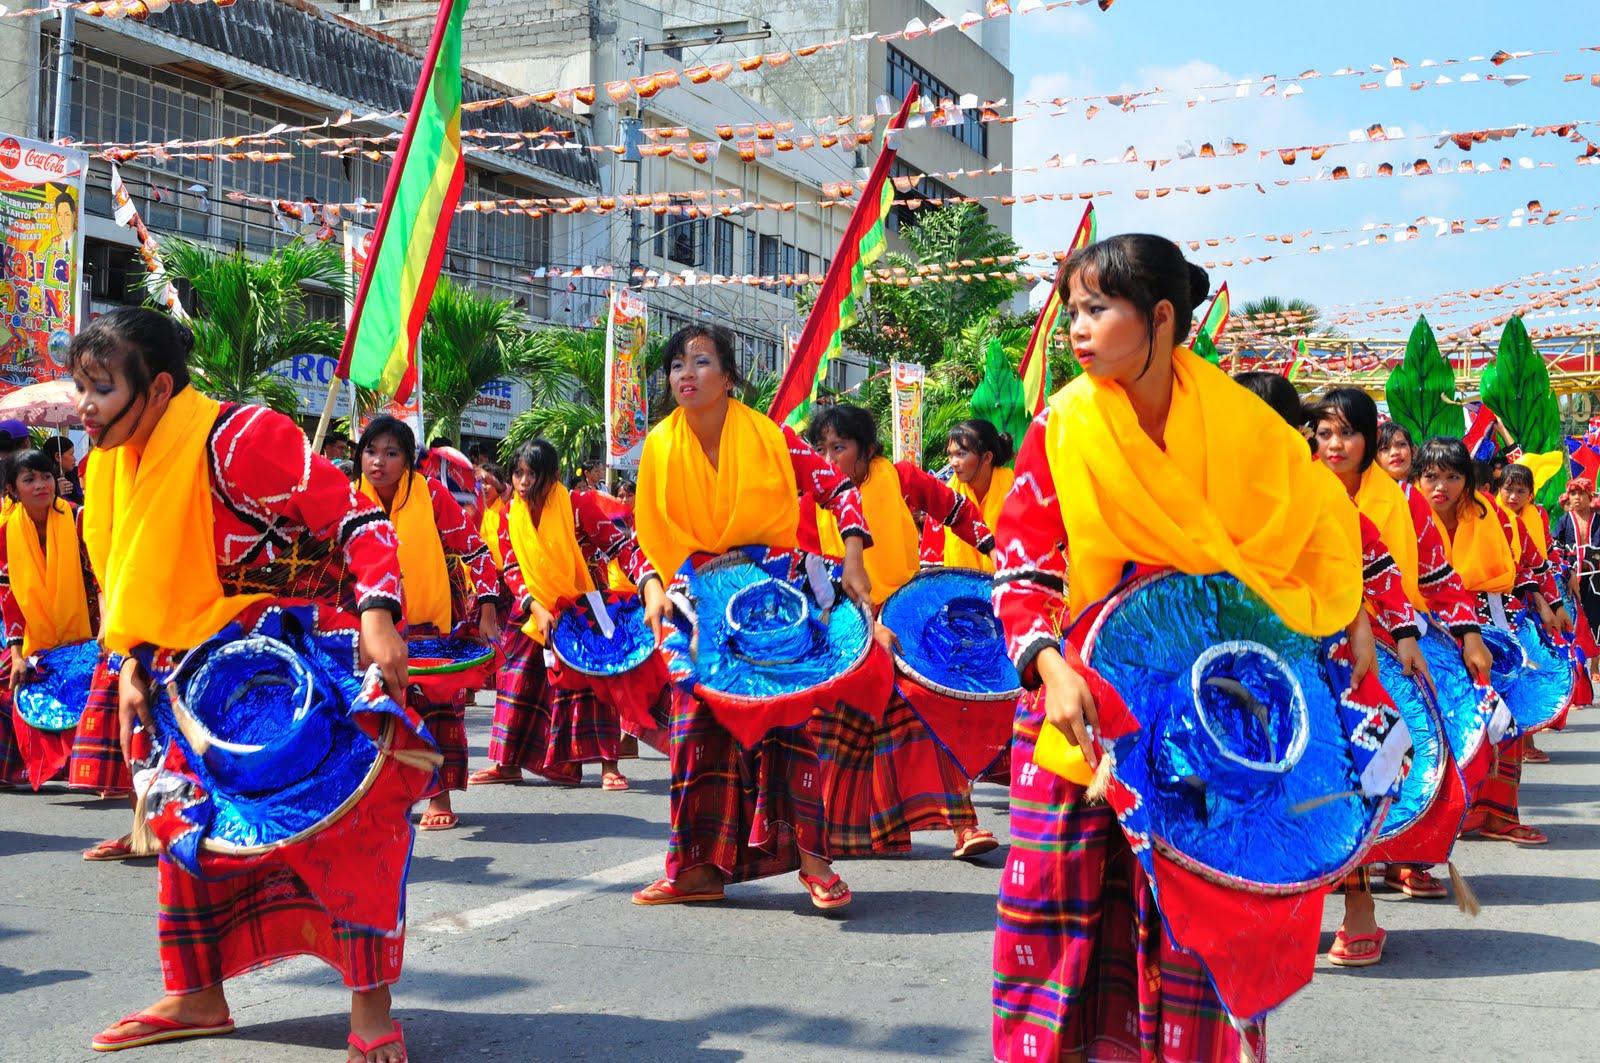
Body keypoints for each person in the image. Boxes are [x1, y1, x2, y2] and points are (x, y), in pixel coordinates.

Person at [988, 234, 1372, 1061]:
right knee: (1061, 922)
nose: (1076, 330)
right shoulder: (1063, 425)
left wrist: (1361, 617)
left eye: (1098, 309)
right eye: (1073, 311)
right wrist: (1049, 663)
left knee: (1205, 925)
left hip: (1218, 715)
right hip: (1082, 704)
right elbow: (1022, 562)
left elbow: (1319, 530)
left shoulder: (1244, 426)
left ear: (1161, 317)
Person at [69, 307, 422, 1061]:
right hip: (190, 675)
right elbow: (130, 579)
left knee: (347, 831)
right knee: (187, 831)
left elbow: (359, 518)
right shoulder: (108, 464)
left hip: (297, 662)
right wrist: (131, 659)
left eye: (101, 387)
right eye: (81, 386)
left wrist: (380, 616)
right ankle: (197, 992)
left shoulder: (241, 440)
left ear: (158, 388)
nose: (84, 406)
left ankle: (370, 1004)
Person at [632, 322, 872, 909]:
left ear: (730, 377)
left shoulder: (773, 439)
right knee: (694, 730)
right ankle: (696, 870)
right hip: (694, 597)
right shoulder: (659, 447)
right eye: (677, 365)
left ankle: (814, 860)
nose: (686, 374)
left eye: (701, 361)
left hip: (770, 596)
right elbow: (644, 536)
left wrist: (854, 557)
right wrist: (652, 589)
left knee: (786, 723)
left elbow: (839, 491)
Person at [1309, 388, 1495, 965]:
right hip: (1296, 651)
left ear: (1370, 440)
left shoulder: (1402, 503)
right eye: (1324, 432)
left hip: (1381, 654)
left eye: (1347, 433)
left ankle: (1361, 903)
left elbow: (1430, 574)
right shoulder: (1294, 490)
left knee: (1369, 774)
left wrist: (1464, 635)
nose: (1333, 444)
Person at [803, 402, 1002, 858]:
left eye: (840, 447)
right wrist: (862, 625)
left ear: (867, 449)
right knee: (838, 727)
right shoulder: (810, 498)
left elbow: (956, 511)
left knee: (929, 708)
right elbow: (811, 569)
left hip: (907, 614)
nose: (829, 459)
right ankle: (842, 836)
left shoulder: (901, 477)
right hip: (843, 621)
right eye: (822, 448)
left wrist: (1002, 554)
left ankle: (964, 825)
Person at [468, 439, 657, 790]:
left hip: (584, 605)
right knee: (516, 680)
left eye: (533, 474)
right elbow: (511, 568)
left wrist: (650, 585)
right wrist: (536, 607)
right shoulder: (509, 514)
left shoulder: (576, 504)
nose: (524, 482)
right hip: (531, 608)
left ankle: (608, 765)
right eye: (518, 473)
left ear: (553, 477)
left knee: (595, 684)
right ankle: (507, 763)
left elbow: (621, 547)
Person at [1412, 437, 1568, 847]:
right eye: (1430, 476)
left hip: (1492, 626)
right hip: (1420, 628)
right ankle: (1433, 827)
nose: (1440, 486)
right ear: (1417, 478)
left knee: (1505, 723)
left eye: (1452, 475)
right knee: (1434, 729)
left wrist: (1547, 600)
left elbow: (1528, 561)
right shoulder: (1402, 514)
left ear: (1468, 480)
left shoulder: (1490, 515)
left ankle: (1498, 816)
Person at [357, 416, 501, 831]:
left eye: (390, 453)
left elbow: (475, 550)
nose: (378, 462)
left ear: (408, 460)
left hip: (425, 624)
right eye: (370, 451)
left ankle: (439, 795)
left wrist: (487, 607)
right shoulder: (348, 499)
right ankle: (374, 797)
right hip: (367, 625)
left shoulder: (432, 494)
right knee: (373, 714)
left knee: (435, 710)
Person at [0, 450, 98, 790]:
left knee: (102, 679)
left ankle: (95, 770)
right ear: (13, 490)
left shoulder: (79, 519)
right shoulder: (4, 533)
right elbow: (9, 596)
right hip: (32, 635)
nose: (41, 485)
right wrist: (15, 654)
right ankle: (15, 771)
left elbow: (102, 578)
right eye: (29, 480)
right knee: (7, 682)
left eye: (46, 476)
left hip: (90, 627)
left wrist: (109, 633)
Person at [922, 419, 1012, 572]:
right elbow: (932, 568)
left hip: (1009, 590)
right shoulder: (945, 498)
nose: (953, 463)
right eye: (950, 455)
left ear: (987, 457)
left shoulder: (1017, 492)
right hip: (960, 591)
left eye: (960, 454)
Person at [1552, 477, 1600, 685]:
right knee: (1573, 621)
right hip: (1570, 578)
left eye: (1581, 494)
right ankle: (1575, 668)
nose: (1577, 498)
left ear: (1589, 497)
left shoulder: (1599, 520)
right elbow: (1554, 548)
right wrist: (1564, 569)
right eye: (1573, 494)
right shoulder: (1564, 521)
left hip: (1596, 579)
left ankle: (1596, 665)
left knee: (1596, 621)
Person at [476, 460, 511, 570]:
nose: (484, 487)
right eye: (480, 482)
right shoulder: (472, 506)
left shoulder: (507, 504)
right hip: (477, 573)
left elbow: (508, 493)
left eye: (488, 482)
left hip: (503, 573)